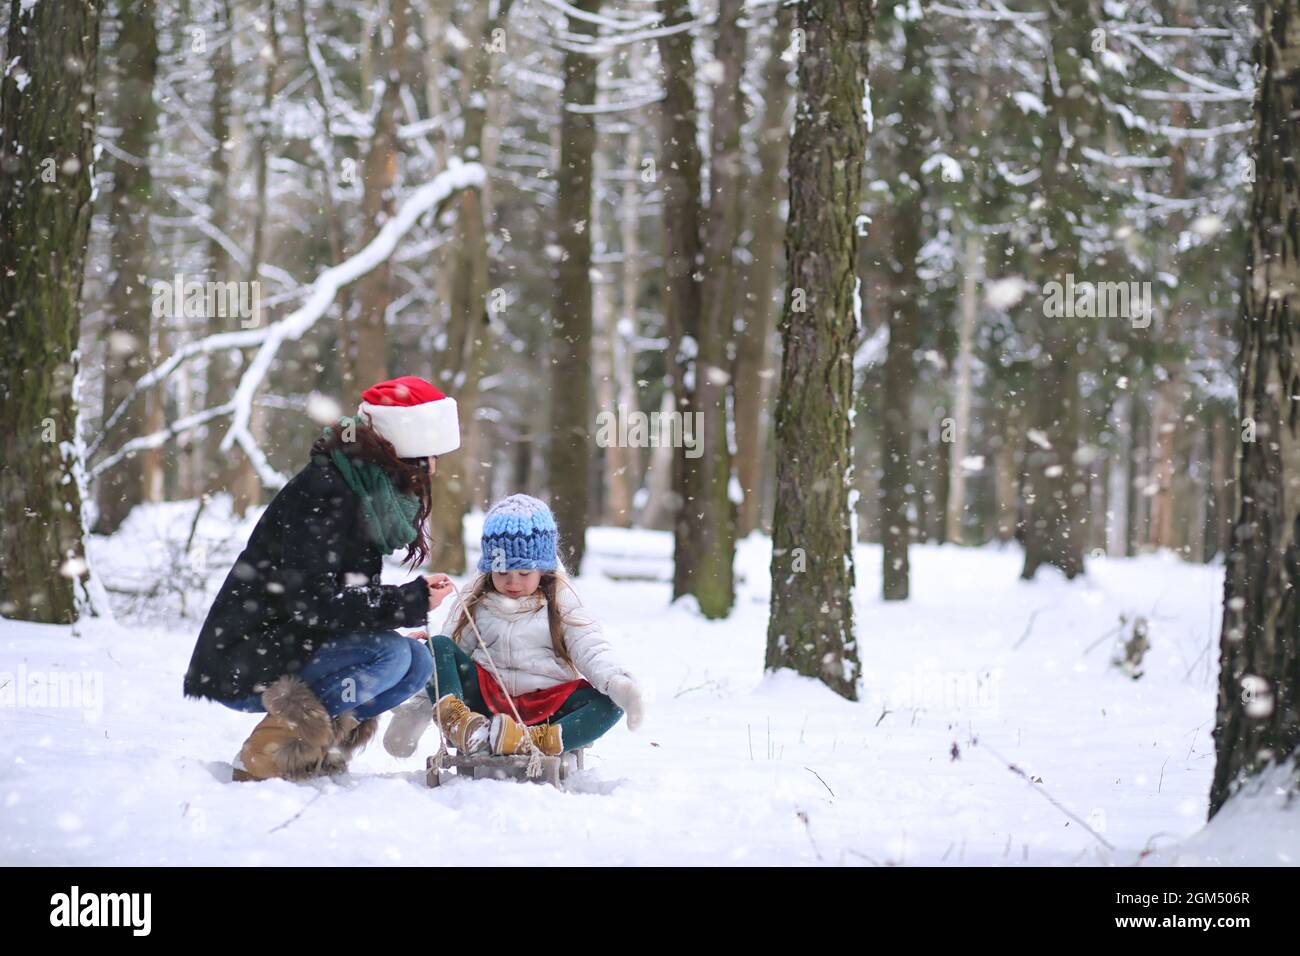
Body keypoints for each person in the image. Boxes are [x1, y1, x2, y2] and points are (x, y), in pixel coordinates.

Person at [183, 376, 462, 781]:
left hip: (294, 644)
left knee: (417, 662)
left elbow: (341, 594)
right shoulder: (326, 491)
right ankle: (268, 753)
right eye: (427, 457)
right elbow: (312, 603)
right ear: (400, 450)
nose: (433, 468)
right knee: (392, 656)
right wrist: (405, 604)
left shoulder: (361, 487)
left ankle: (319, 749)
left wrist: (390, 617)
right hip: (249, 657)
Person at [384, 494, 644, 761]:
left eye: (523, 573)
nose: (512, 583)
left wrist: (615, 682)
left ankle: (533, 741)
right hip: (485, 707)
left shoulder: (561, 601)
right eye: (502, 572)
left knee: (609, 703)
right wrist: (417, 708)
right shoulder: (477, 600)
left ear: (543, 569)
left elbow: (590, 646)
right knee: (437, 646)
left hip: (546, 707)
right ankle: (458, 723)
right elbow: (448, 654)